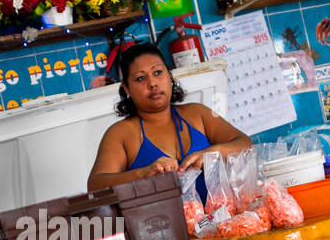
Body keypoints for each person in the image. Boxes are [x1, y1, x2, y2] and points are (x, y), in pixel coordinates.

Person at [87, 42, 251, 194]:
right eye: (141, 78)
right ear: (126, 88)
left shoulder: (198, 114)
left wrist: (212, 153)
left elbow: (246, 144)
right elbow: (95, 185)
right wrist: (143, 173)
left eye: (158, 72)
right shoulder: (121, 133)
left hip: (223, 221)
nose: (152, 83)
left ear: (169, 77)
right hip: (161, 224)